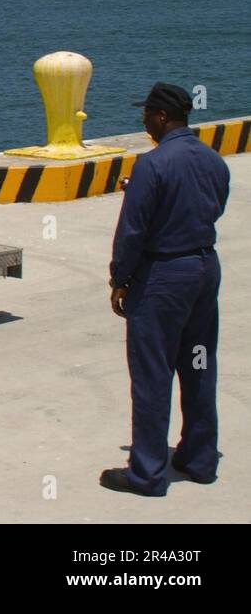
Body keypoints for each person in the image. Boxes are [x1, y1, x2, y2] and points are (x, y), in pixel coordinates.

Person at [100, 82, 230, 497]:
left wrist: (121, 278)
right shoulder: (213, 160)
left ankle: (148, 473)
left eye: (146, 115)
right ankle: (199, 460)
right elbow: (214, 205)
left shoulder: (151, 165)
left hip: (163, 276)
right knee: (198, 365)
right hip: (204, 267)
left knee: (153, 372)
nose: (142, 121)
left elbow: (133, 230)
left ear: (160, 117)